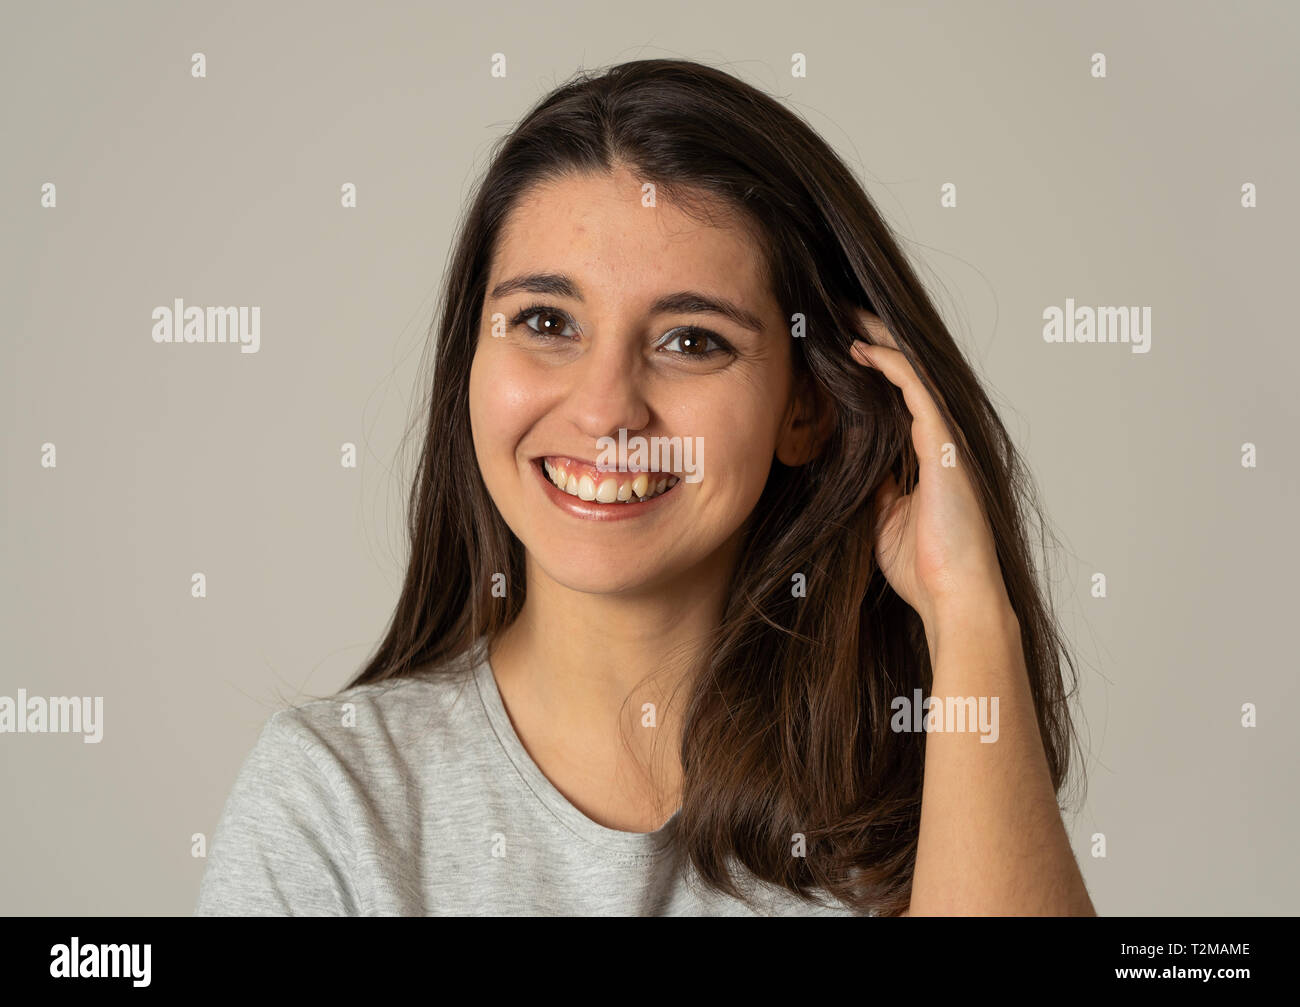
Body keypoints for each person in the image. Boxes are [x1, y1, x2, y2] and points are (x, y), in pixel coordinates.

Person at [195, 58, 1095, 916]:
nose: (605, 410)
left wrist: (967, 609)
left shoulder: (910, 803)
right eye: (546, 321)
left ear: (808, 407)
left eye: (692, 340)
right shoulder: (334, 801)